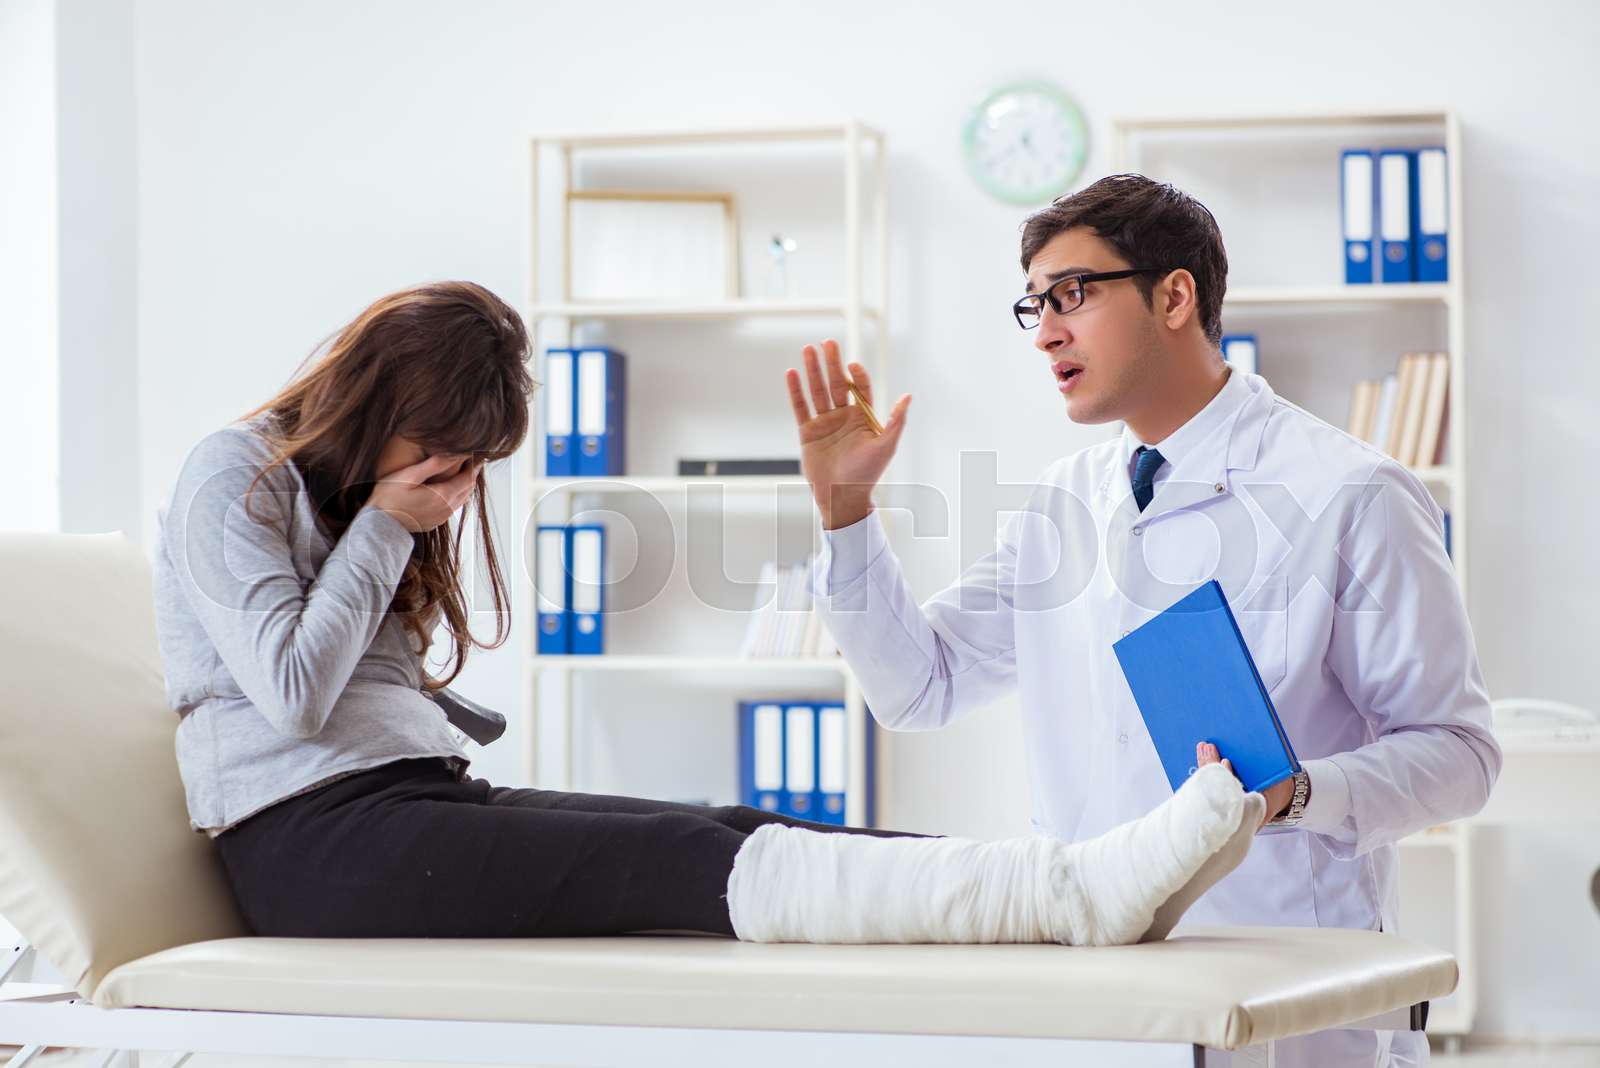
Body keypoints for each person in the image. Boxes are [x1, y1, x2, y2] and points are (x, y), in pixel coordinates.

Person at [152, 279, 1264, 951]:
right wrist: (391, 522)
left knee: (728, 820)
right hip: (308, 846)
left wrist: (390, 525)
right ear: (378, 398)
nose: (453, 487)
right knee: (678, 855)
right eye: (442, 457)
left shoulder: (361, 497)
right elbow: (293, 698)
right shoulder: (232, 474)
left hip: (404, 801)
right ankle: (1064, 898)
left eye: (470, 466)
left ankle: (1058, 884)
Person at [786, 174, 1502, 1066]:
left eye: (1072, 294)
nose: (1046, 331)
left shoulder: (1350, 492)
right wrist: (846, 512)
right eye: (1035, 305)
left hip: (1286, 985)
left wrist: (1296, 793)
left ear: (1174, 296)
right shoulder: (1062, 505)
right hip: (1099, 991)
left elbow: (1460, 756)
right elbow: (916, 688)